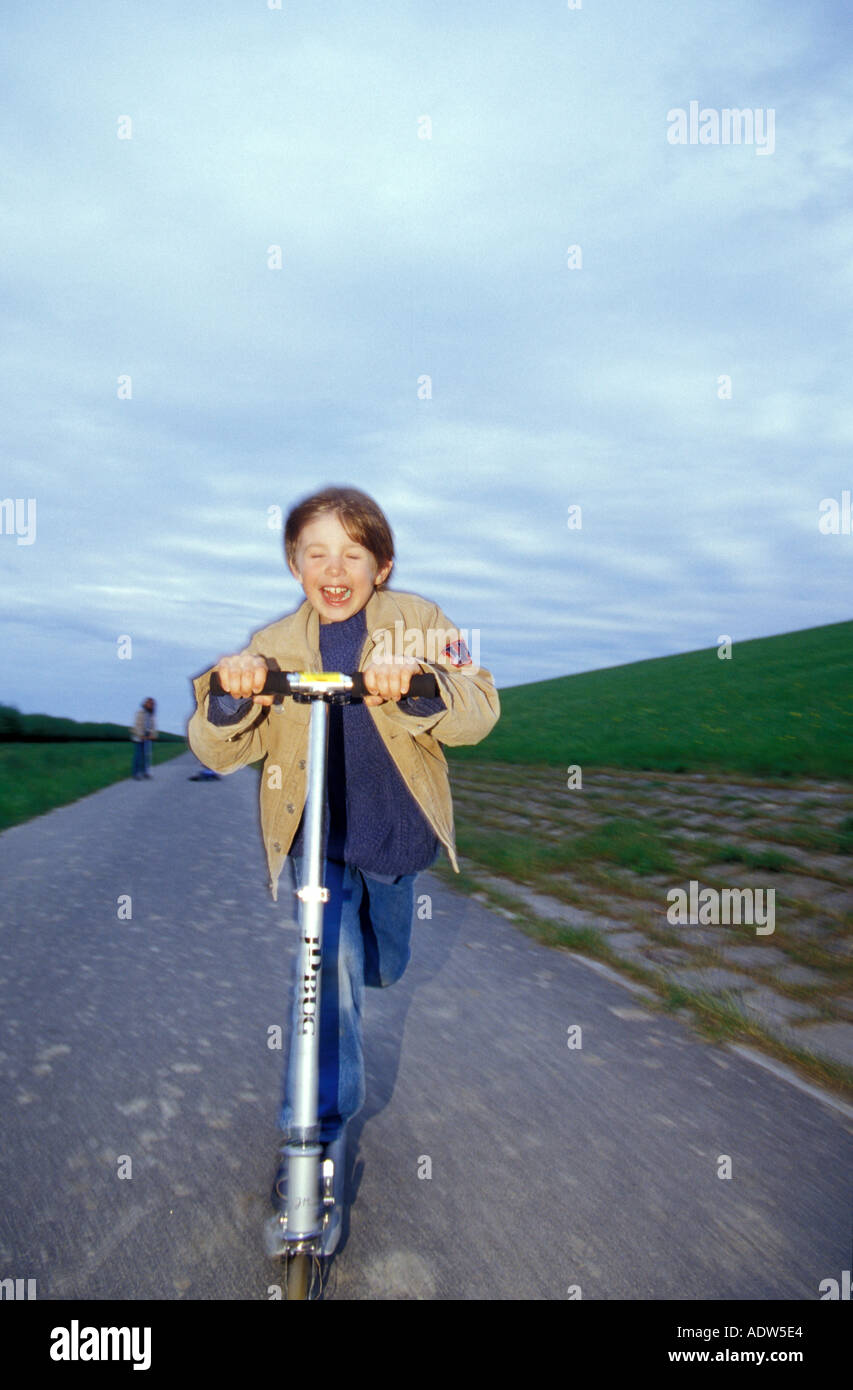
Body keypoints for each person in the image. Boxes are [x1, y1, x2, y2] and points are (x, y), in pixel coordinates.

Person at [186, 486, 499, 1238]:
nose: (334, 568)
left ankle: (364, 971)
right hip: (315, 851)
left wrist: (420, 685)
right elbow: (213, 743)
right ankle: (313, 1136)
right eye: (316, 553)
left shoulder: (419, 622)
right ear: (295, 565)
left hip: (395, 842)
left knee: (380, 969)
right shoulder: (270, 645)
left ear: (380, 566)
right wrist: (231, 697)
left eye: (352, 554)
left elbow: (478, 706)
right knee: (327, 987)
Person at [130, 698, 157, 780]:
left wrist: (152, 734)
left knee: (147, 755)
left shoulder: (151, 715)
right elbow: (137, 725)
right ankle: (136, 773)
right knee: (139, 755)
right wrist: (140, 735)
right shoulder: (140, 713)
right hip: (139, 737)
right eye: (149, 703)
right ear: (145, 704)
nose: (150, 705)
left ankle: (145, 772)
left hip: (147, 737)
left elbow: (153, 726)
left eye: (152, 704)